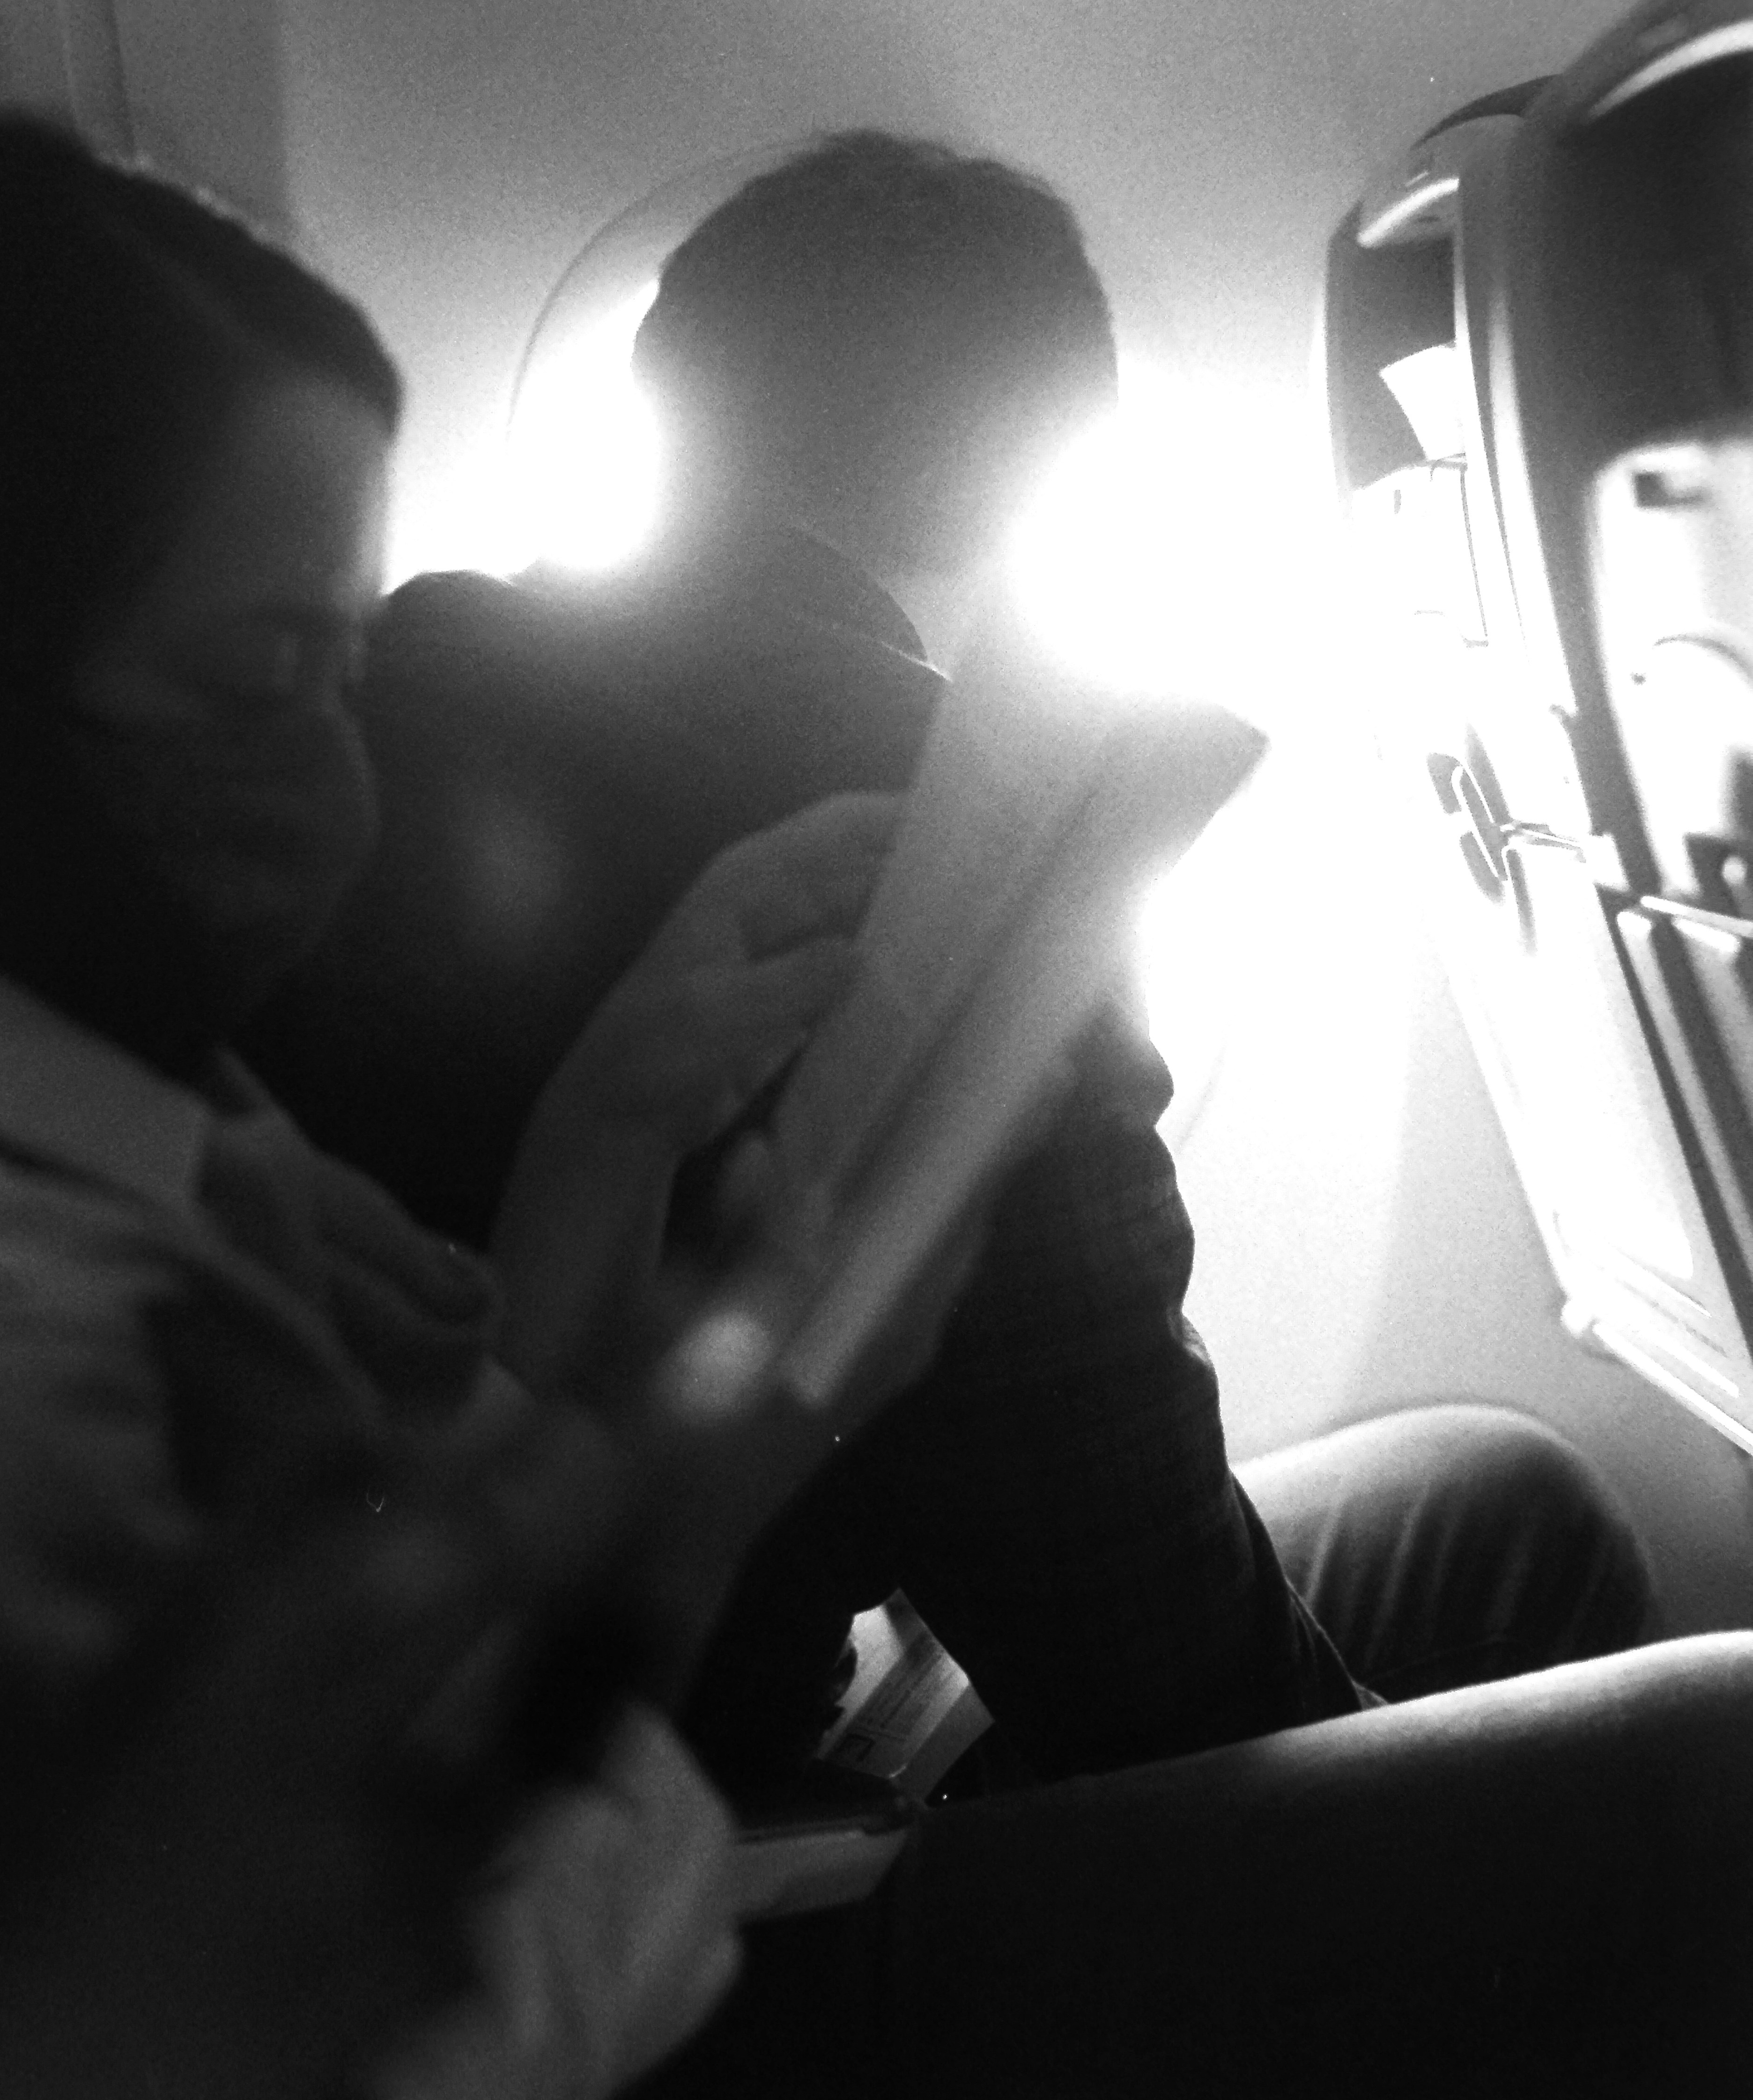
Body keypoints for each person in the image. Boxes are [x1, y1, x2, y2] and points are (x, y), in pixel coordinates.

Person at [251, 133, 1652, 1805]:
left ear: (657, 403)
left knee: (1496, 1500)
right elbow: (1155, 1690)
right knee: (1694, 1750)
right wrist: (1468, 1855)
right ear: (1029, 488)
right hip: (694, 1857)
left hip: (509, 1716)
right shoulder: (971, 860)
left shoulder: (397, 685)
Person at [0, 110, 953, 2100]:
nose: (340, 770)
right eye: (262, 673)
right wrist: (704, 1490)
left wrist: (619, 1103)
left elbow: (438, 1497)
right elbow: (401, 2044)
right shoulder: (26, 1366)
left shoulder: (154, 1099)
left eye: (350, 654)